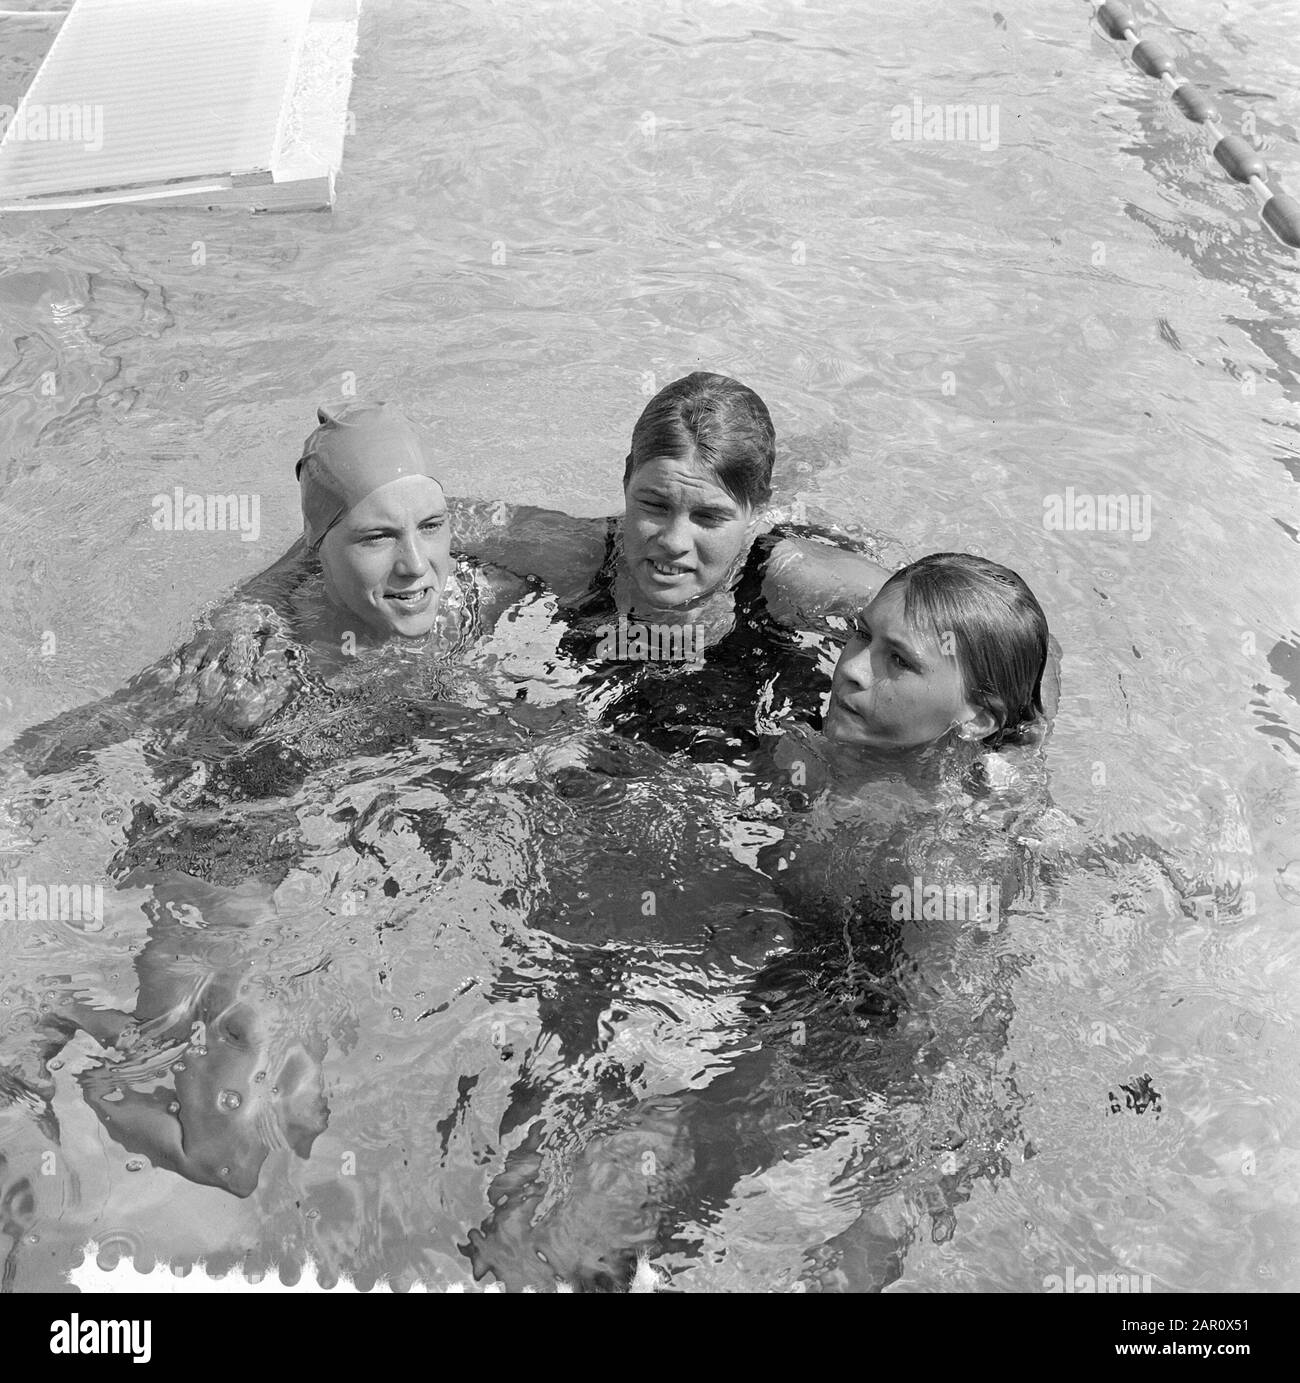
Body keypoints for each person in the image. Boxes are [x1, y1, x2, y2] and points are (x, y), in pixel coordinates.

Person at [465, 553, 1066, 1291]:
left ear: (977, 717)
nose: (851, 669)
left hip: (851, 1031)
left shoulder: (941, 863)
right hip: (782, 951)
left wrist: (884, 1215)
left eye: (898, 662)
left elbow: (954, 1050)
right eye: (859, 634)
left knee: (619, 1173)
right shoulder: (815, 749)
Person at [5, 402, 531, 779]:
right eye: (377, 538)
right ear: (317, 548)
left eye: (432, 526)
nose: (417, 566)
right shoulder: (255, 662)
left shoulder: (478, 593)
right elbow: (98, 727)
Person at [447, 372, 896, 759]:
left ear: (756, 512)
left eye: (708, 518)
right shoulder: (583, 553)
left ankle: (820, 447)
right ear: (626, 480)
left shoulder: (789, 577)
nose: (673, 543)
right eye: (653, 505)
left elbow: (944, 607)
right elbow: (425, 515)